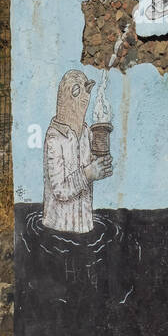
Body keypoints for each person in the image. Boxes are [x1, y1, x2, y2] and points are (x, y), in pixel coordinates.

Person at [42, 69, 112, 233]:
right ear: (68, 97)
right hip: (59, 228)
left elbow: (87, 167)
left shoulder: (86, 132)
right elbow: (59, 190)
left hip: (85, 226)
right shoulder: (54, 137)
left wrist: (99, 165)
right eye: (78, 93)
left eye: (86, 96)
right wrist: (88, 173)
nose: (85, 100)